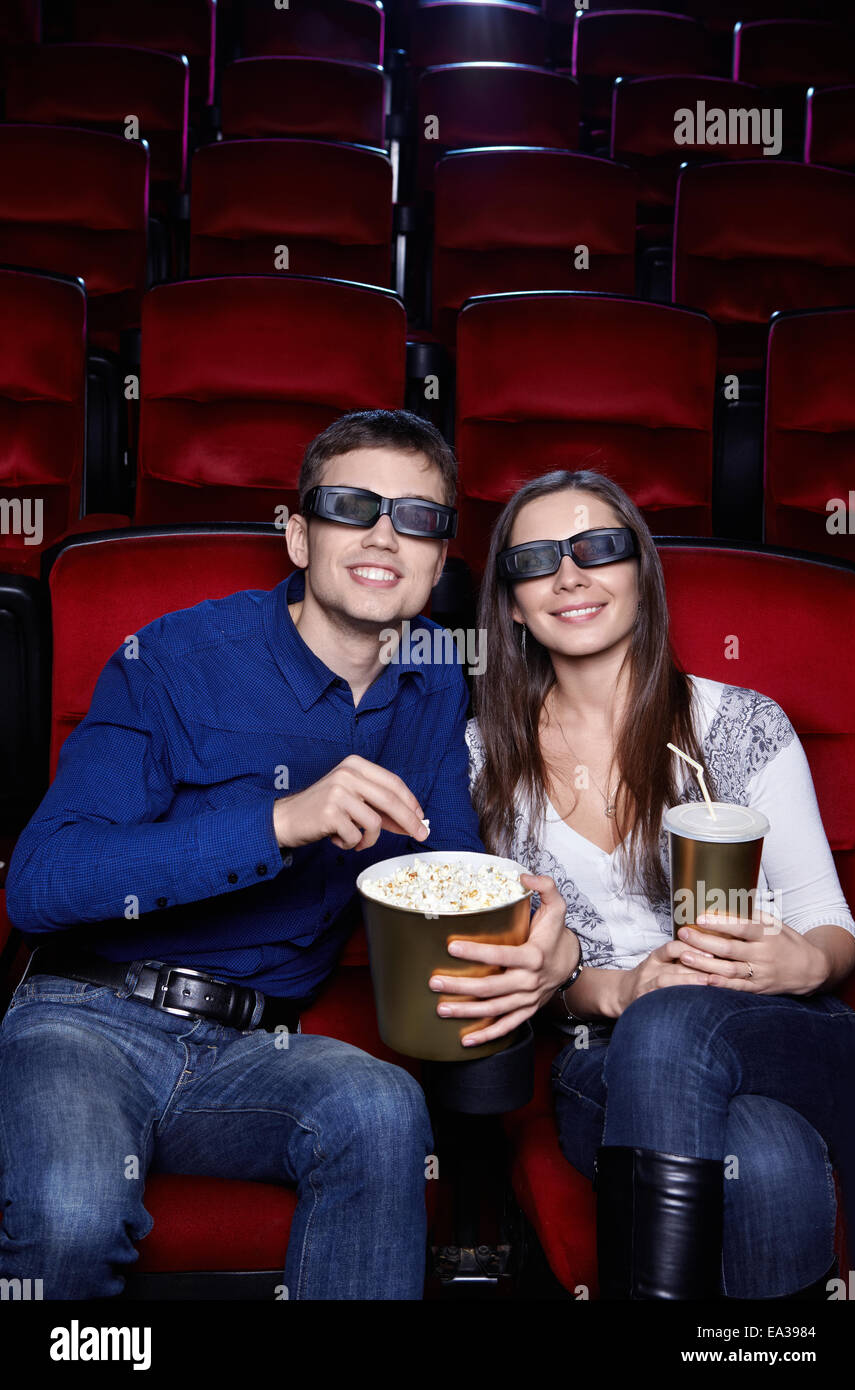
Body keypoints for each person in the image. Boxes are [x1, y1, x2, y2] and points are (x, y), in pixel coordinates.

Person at [0, 408, 496, 1301]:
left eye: (418, 518)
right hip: (88, 1019)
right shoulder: (171, 659)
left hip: (258, 1048)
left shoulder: (434, 682)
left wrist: (532, 930)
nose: (385, 535)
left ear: (438, 561)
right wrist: (280, 821)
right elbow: (41, 883)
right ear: (300, 537)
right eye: (353, 506)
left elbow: (448, 874)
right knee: (74, 1214)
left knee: (381, 1108)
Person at [428, 467, 855, 1300]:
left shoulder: (742, 724)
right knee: (765, 1158)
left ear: (640, 570)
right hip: (605, 1060)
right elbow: (526, 973)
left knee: (676, 1024)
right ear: (511, 604)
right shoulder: (481, 761)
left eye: (598, 547)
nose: (570, 575)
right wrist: (621, 989)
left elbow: (830, 924)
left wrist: (804, 962)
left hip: (782, 1029)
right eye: (536, 561)